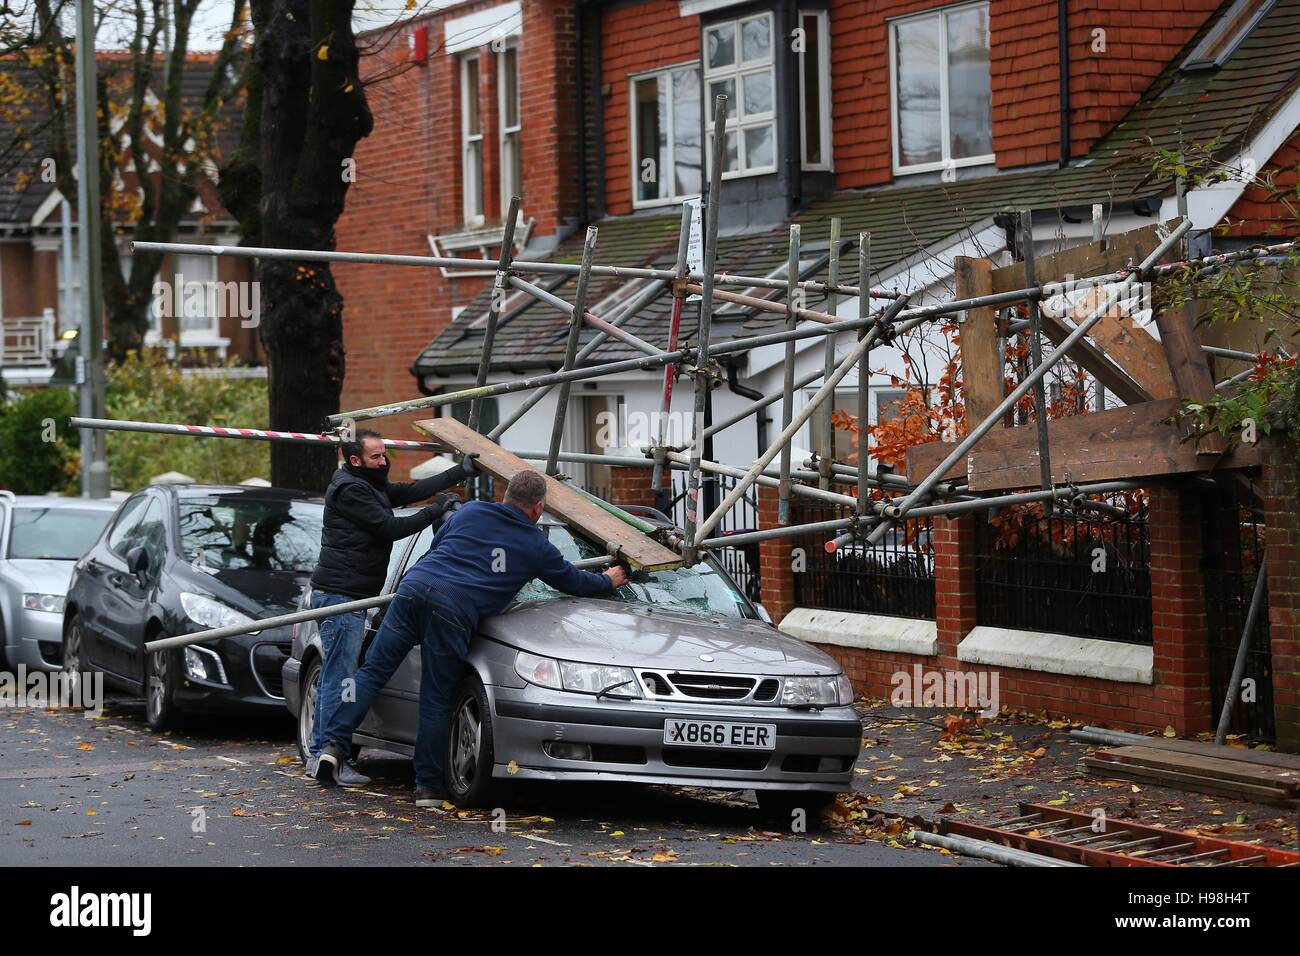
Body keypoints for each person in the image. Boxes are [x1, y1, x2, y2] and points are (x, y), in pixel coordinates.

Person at [315, 469, 629, 805]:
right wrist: (609, 580)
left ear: (505, 496)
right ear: (537, 508)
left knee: (373, 672)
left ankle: (333, 746)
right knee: (436, 697)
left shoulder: (472, 511)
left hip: (414, 588)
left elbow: (438, 545)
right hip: (451, 609)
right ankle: (428, 787)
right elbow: (573, 582)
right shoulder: (534, 543)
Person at [306, 428, 477, 785]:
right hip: (341, 596)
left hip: (350, 594)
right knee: (339, 679)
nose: (384, 461)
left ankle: (326, 755)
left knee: (341, 675)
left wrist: (460, 472)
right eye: (376, 457)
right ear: (355, 460)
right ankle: (325, 757)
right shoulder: (351, 489)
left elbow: (409, 491)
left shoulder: (368, 483)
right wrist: (434, 512)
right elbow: (387, 528)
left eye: (385, 454)